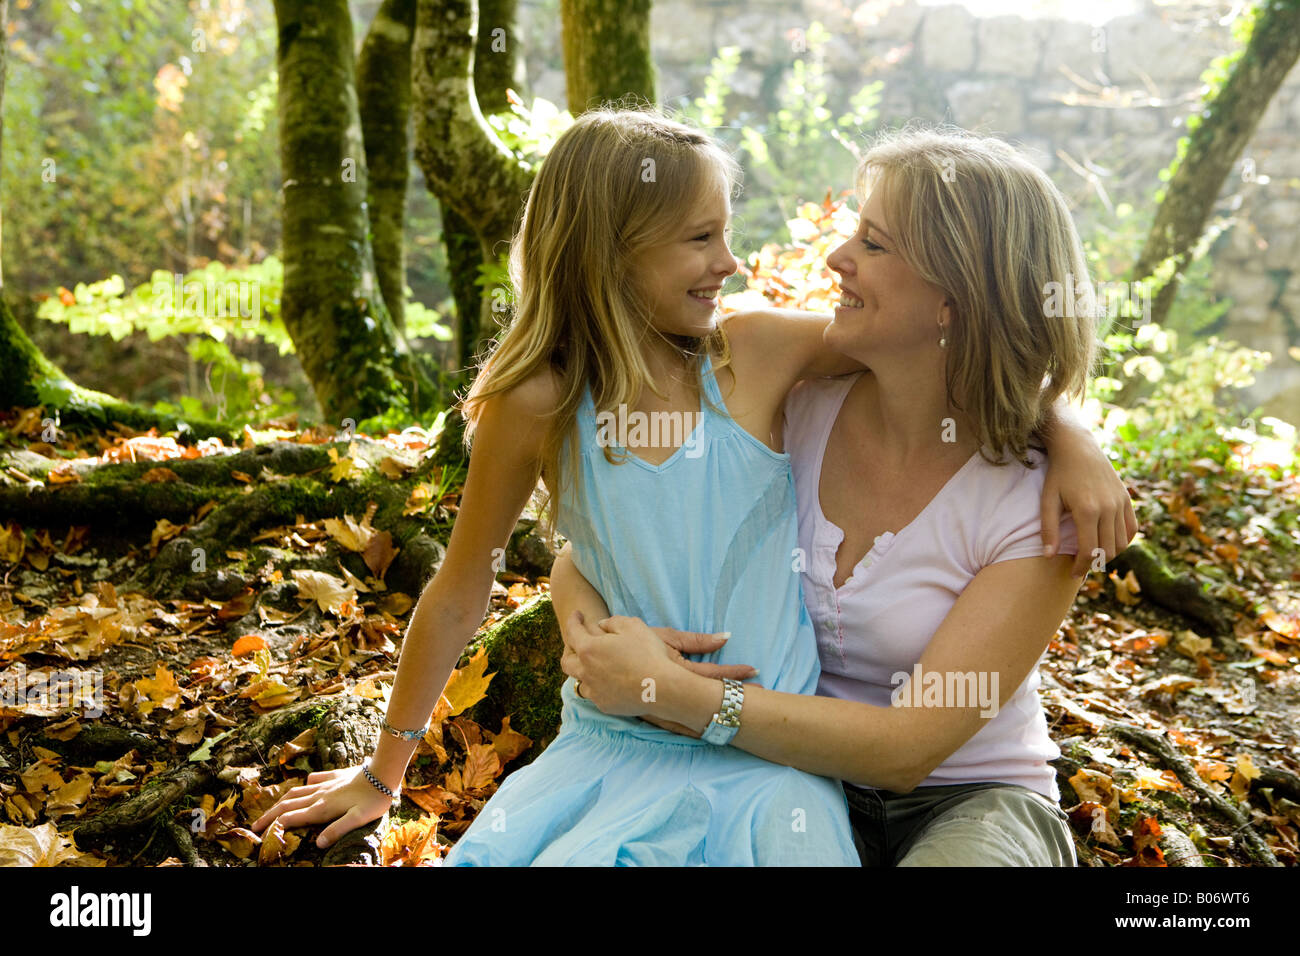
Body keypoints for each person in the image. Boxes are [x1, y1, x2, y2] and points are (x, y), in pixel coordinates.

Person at [551, 125, 1138, 866]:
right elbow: (605, 538)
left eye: (875, 243)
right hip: (770, 774)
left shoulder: (1039, 506)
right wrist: (593, 636)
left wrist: (671, 692)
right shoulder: (783, 409)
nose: (837, 259)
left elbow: (905, 753)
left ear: (955, 298)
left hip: (965, 801)